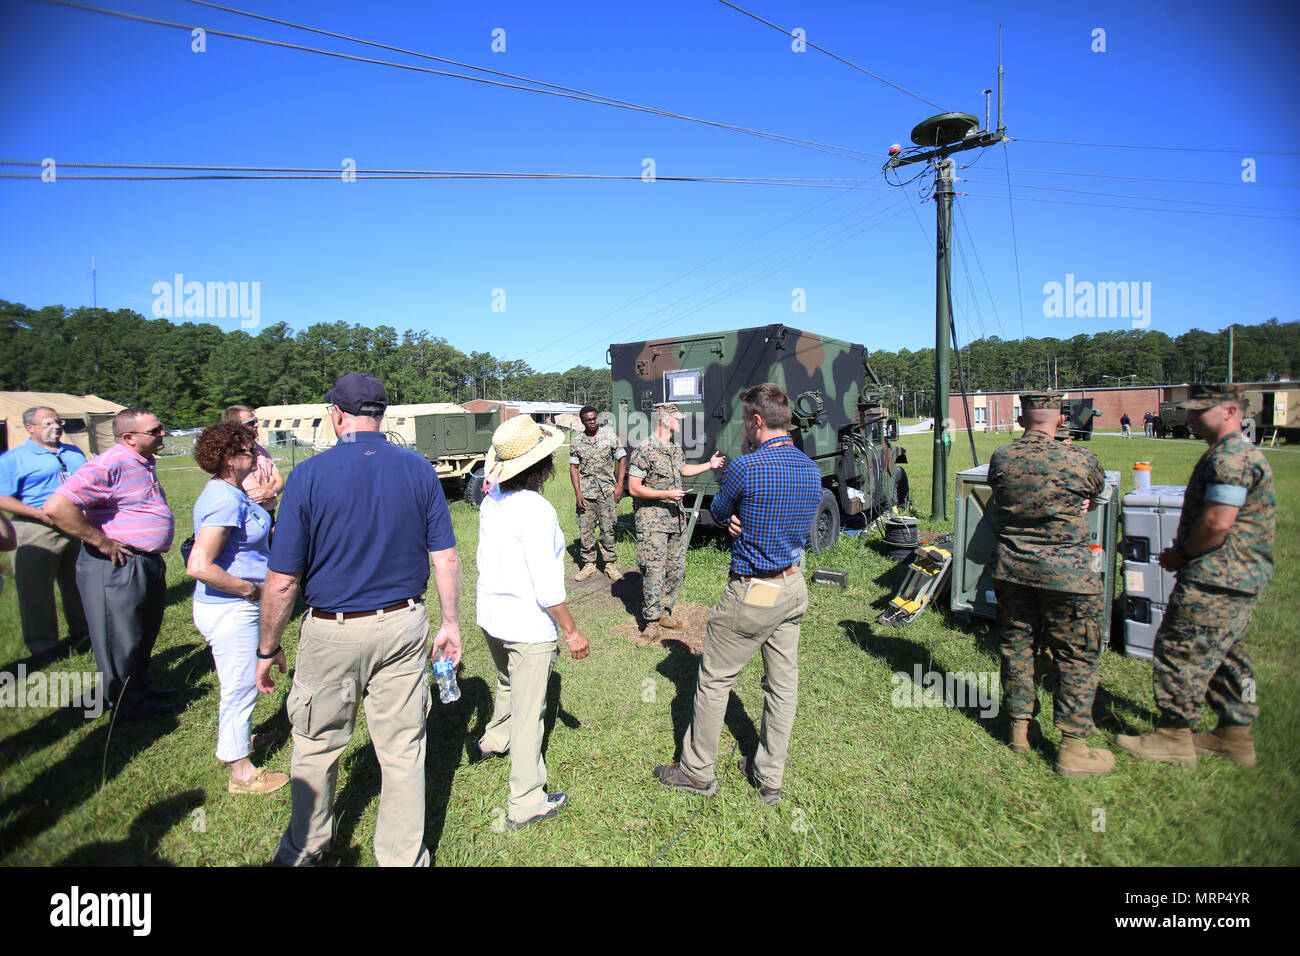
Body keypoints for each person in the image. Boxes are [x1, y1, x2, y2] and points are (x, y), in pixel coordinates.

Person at [255, 373, 461, 867]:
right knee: (404, 748)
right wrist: (450, 623)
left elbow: (282, 581)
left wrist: (268, 648)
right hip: (403, 625)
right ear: (382, 415)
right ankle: (403, 858)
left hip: (331, 631)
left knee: (317, 745)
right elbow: (447, 557)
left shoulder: (308, 475)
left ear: (337, 415)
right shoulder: (418, 469)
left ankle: (306, 850)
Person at [654, 384, 820, 804]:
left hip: (756, 590)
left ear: (758, 421)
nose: (744, 427)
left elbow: (721, 510)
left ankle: (696, 772)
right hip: (794, 586)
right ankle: (769, 777)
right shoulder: (811, 469)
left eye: (746, 419)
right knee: (782, 685)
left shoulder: (746, 467)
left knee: (713, 680)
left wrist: (736, 521)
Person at [1116, 384, 1274, 768]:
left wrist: (1182, 554)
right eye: (1189, 410)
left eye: (1200, 410)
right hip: (1237, 577)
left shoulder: (1231, 458)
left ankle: (1174, 735)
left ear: (1231, 411)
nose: (1190, 416)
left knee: (1179, 649)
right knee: (1229, 655)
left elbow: (1218, 523)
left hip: (1216, 577)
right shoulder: (1232, 454)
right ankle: (1235, 734)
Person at [987, 391, 1112, 777]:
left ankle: (1020, 730)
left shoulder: (1003, 457)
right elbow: (1094, 493)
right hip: (1067, 575)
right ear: (1060, 419)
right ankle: (1073, 747)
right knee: (1075, 654)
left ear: (1022, 418)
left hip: (1013, 570)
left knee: (1017, 646)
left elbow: (999, 496)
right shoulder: (1081, 459)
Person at [474, 415, 591, 830]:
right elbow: (548, 589)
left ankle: (494, 739)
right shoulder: (538, 510)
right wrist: (572, 632)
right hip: (526, 625)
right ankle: (526, 801)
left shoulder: (491, 500)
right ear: (542, 467)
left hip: (492, 617)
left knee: (506, 681)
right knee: (530, 713)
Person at [45, 408, 176, 720]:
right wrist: (100, 541)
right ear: (128, 438)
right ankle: (126, 703)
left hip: (145, 561)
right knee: (120, 637)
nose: (162, 434)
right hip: (117, 564)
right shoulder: (110, 463)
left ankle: (141, 686)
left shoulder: (142, 461)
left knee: (142, 632)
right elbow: (57, 507)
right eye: (155, 431)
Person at [187, 423, 288, 795]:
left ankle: (243, 741)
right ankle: (241, 772)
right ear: (229, 459)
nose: (256, 455)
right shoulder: (224, 499)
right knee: (241, 684)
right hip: (231, 608)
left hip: (237, 606)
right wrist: (251, 590)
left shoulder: (233, 493)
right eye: (249, 451)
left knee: (243, 679)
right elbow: (199, 565)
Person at [0, 406, 90, 663]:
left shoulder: (73, 452)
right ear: (30, 428)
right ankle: (44, 644)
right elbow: (2, 497)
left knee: (79, 582)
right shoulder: (13, 459)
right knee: (36, 589)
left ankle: (83, 632)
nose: (57, 427)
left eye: (59, 422)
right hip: (36, 528)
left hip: (77, 525)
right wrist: (39, 513)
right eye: (49, 423)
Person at [627, 403, 724, 638]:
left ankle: (664, 613)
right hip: (652, 523)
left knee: (675, 570)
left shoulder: (674, 448)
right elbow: (634, 488)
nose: (680, 421)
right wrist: (666, 494)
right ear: (664, 420)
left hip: (675, 519)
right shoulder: (644, 449)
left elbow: (683, 469)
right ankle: (651, 623)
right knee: (654, 570)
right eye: (676, 418)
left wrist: (708, 466)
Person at [569, 404, 627, 583]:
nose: (592, 422)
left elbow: (622, 459)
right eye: (588, 420)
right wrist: (578, 492)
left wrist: (619, 486)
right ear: (582, 421)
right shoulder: (577, 442)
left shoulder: (609, 437)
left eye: (594, 419)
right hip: (586, 493)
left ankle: (610, 564)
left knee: (607, 529)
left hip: (606, 491)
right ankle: (589, 565)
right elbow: (574, 467)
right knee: (585, 530)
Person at [220, 406, 284, 520]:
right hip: (252, 517)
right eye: (251, 423)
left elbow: (280, 481)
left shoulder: (261, 450)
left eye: (256, 420)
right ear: (236, 427)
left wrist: (271, 492)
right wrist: (272, 483)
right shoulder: (238, 456)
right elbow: (255, 495)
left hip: (269, 514)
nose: (257, 425)